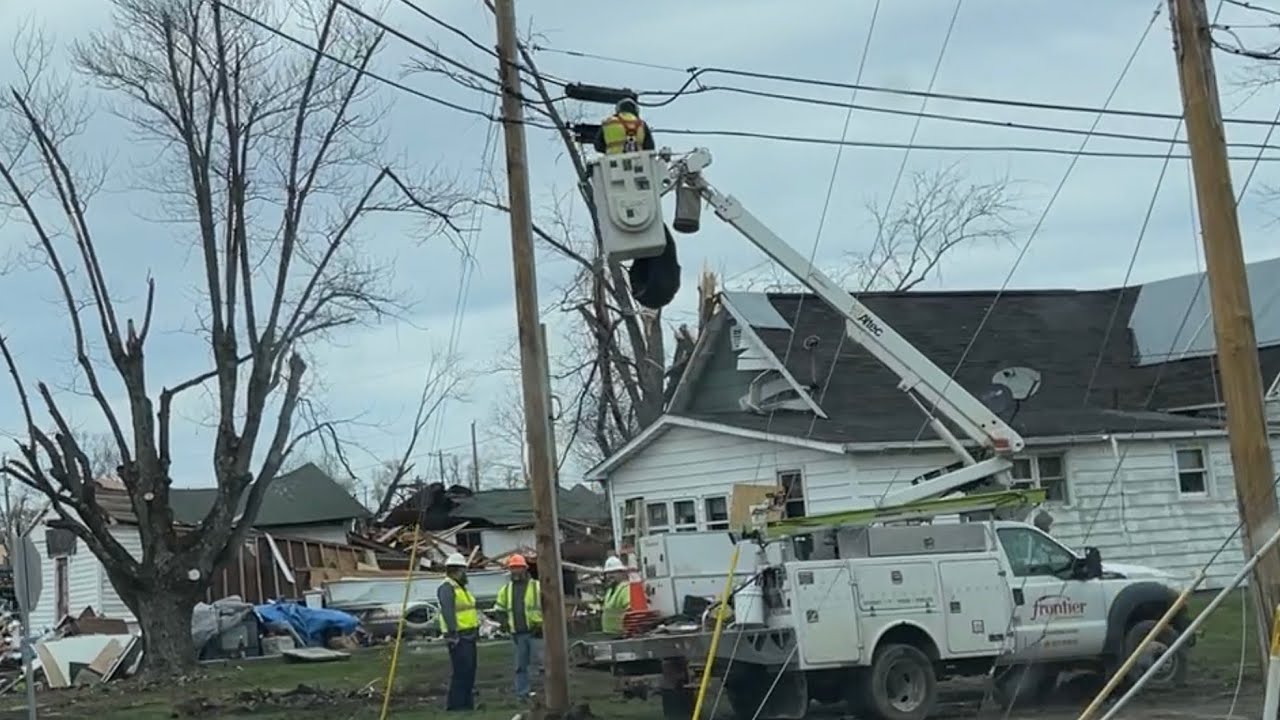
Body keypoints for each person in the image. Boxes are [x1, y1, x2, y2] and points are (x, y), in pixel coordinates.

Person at [493, 554, 543, 700]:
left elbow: (549, 607)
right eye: (512, 569)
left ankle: (547, 694)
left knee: (544, 666)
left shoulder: (537, 587)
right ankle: (523, 694)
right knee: (521, 667)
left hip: (538, 633)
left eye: (517, 568)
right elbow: (499, 609)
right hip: (518, 634)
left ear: (525, 569)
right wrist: (504, 624)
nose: (515, 571)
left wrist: (543, 625)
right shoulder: (506, 590)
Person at [437, 552, 479, 711]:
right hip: (458, 636)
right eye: (463, 571)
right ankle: (456, 705)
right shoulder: (447, 587)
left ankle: (466, 704)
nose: (465, 574)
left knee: (469, 671)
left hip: (468, 634)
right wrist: (453, 634)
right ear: (456, 570)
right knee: (462, 671)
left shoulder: (461, 588)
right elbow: (448, 611)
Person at [599, 556, 632, 636]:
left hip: (621, 635)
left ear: (622, 573)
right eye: (608, 573)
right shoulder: (610, 590)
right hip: (610, 635)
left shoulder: (626, 588)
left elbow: (630, 612)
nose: (610, 575)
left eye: (613, 572)